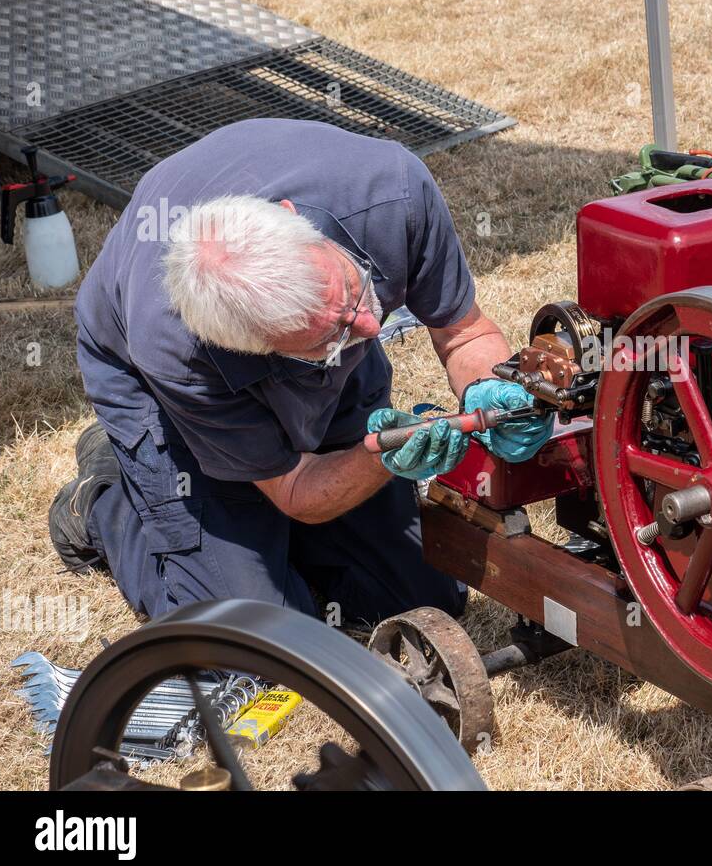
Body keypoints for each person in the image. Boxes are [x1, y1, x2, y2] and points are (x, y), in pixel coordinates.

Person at [51, 119, 552, 624]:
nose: (373, 323)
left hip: (306, 360)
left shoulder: (391, 192)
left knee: (419, 597)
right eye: (330, 335)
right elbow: (296, 492)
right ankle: (106, 496)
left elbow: (464, 334)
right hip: (159, 397)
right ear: (250, 345)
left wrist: (490, 385)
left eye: (351, 291)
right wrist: (383, 460)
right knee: (259, 638)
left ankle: (264, 538)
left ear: (293, 219)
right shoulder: (179, 351)